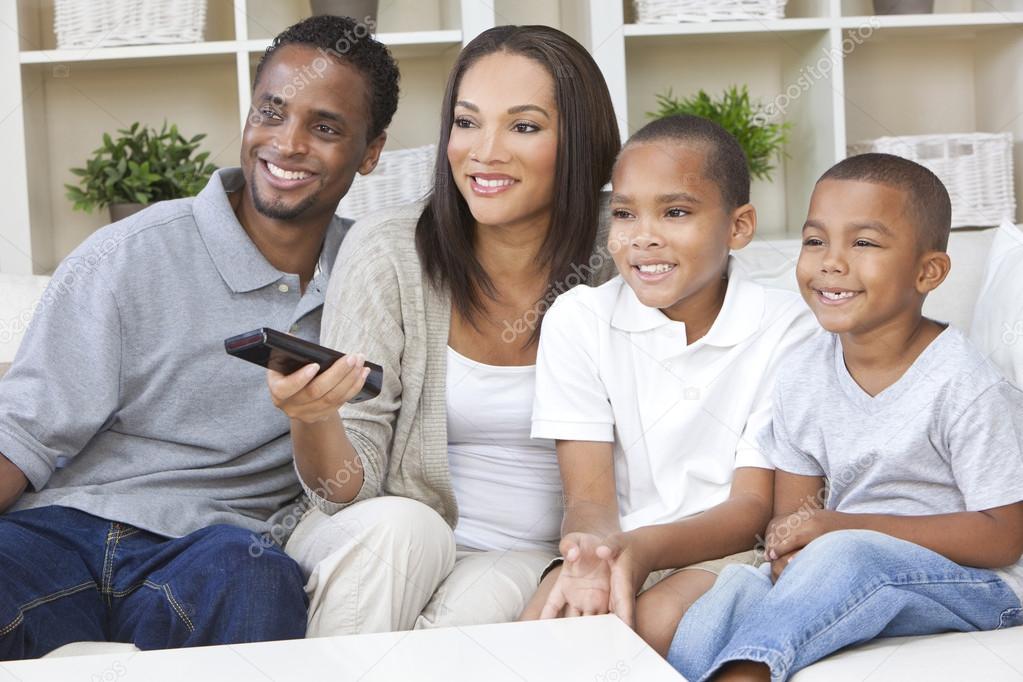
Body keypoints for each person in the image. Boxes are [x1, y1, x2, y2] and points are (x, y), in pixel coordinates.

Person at [0, 15, 399, 659]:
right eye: (271, 113)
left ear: (371, 152)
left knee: (253, 582)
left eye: (324, 128)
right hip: (64, 527)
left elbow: (362, 465)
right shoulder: (129, 254)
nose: (287, 143)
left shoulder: (373, 279)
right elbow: (21, 434)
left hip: (218, 545)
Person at [271, 24, 621, 634]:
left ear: (580, 143)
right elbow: (343, 494)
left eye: (525, 126)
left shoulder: (625, 251)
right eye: (466, 122)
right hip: (387, 529)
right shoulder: (390, 252)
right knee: (403, 529)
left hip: (536, 554)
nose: (485, 151)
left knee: (469, 615)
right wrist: (314, 417)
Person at [668, 153, 1023, 682]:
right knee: (738, 588)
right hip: (845, 566)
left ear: (929, 271)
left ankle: (745, 675)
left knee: (851, 556)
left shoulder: (965, 384)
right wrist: (794, 547)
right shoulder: (801, 374)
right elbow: (794, 516)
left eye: (863, 242)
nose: (830, 262)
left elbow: (1003, 536)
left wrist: (840, 528)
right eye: (815, 241)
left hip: (978, 586)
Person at [517, 115, 818, 655]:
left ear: (739, 226)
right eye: (625, 213)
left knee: (649, 627)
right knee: (543, 632)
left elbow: (752, 507)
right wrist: (591, 553)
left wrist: (644, 551)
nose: (643, 236)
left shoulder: (788, 328)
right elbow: (588, 498)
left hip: (731, 547)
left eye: (675, 212)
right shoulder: (579, 317)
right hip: (620, 542)